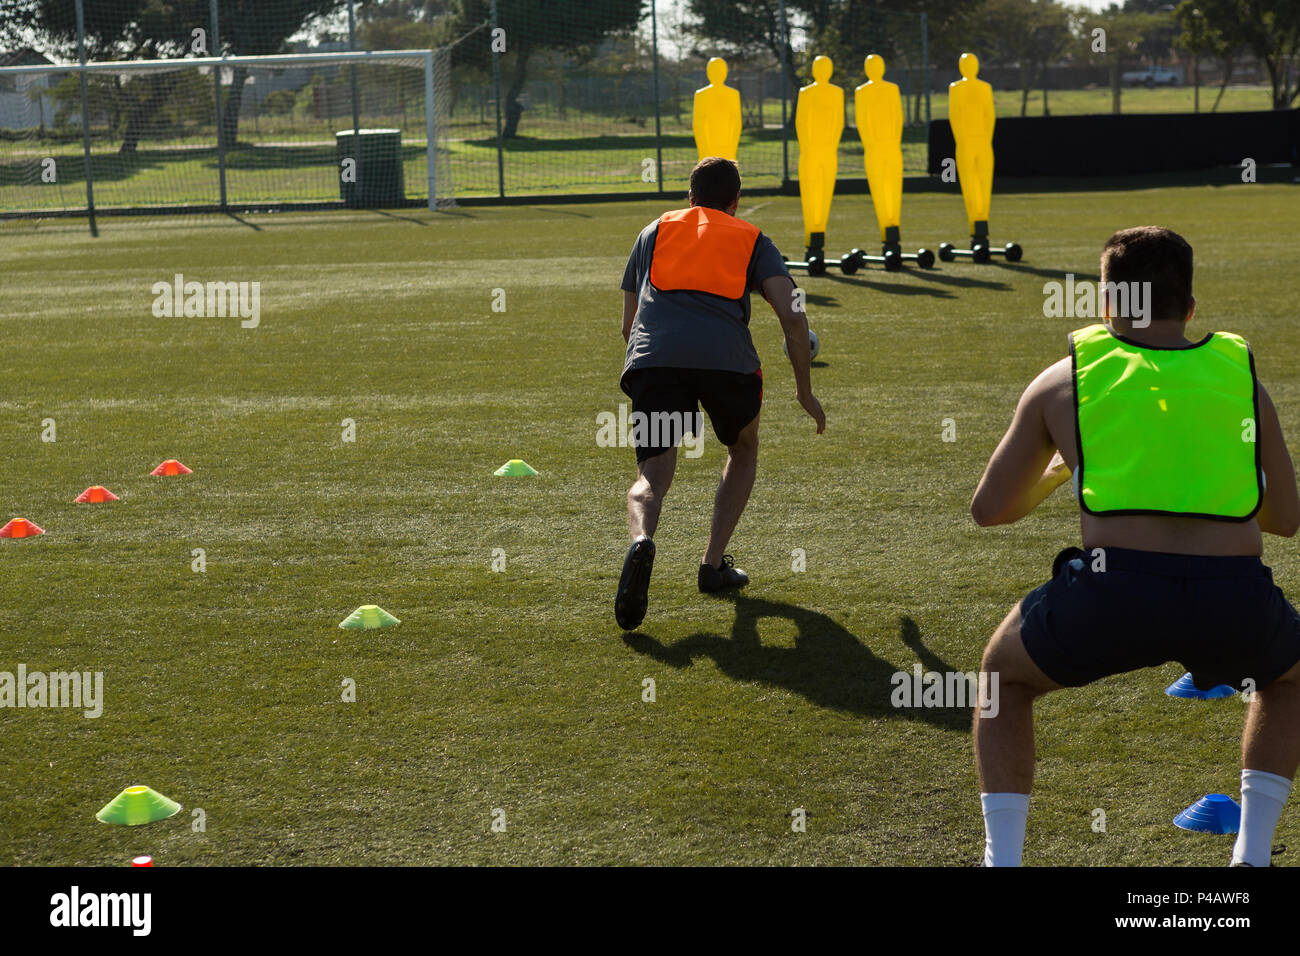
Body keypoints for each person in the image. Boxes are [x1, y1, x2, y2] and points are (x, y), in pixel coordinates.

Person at [970, 226, 1300, 866]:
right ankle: (1252, 856)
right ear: (1191, 306)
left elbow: (989, 511)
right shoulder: (1243, 380)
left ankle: (1002, 861)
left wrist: (1063, 469)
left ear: (1108, 302)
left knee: (999, 681)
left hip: (1112, 591)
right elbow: (1287, 519)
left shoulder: (1063, 381)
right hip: (1233, 593)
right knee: (1288, 681)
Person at [614, 157, 826, 632]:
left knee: (652, 474)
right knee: (743, 448)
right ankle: (712, 566)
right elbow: (793, 317)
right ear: (735, 202)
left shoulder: (652, 231)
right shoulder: (752, 238)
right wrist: (804, 392)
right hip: (727, 364)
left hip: (655, 359)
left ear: (689, 197)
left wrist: (652, 368)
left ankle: (641, 541)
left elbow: (628, 325)